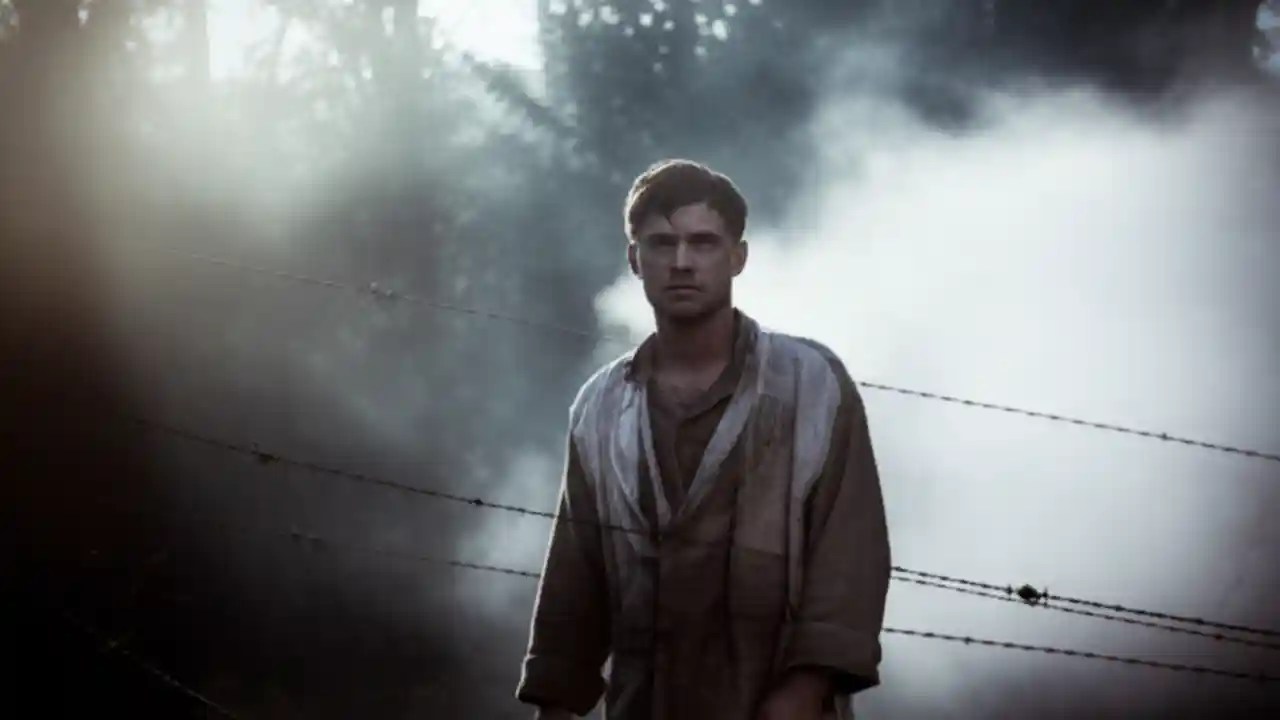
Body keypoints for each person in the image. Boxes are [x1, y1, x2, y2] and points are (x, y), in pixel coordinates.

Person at [515, 159, 890, 720]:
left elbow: (850, 549)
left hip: (774, 703)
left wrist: (804, 690)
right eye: (662, 244)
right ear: (634, 260)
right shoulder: (601, 406)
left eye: (704, 242)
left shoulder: (810, 382)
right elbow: (577, 565)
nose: (682, 262)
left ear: (737, 256)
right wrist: (556, 701)